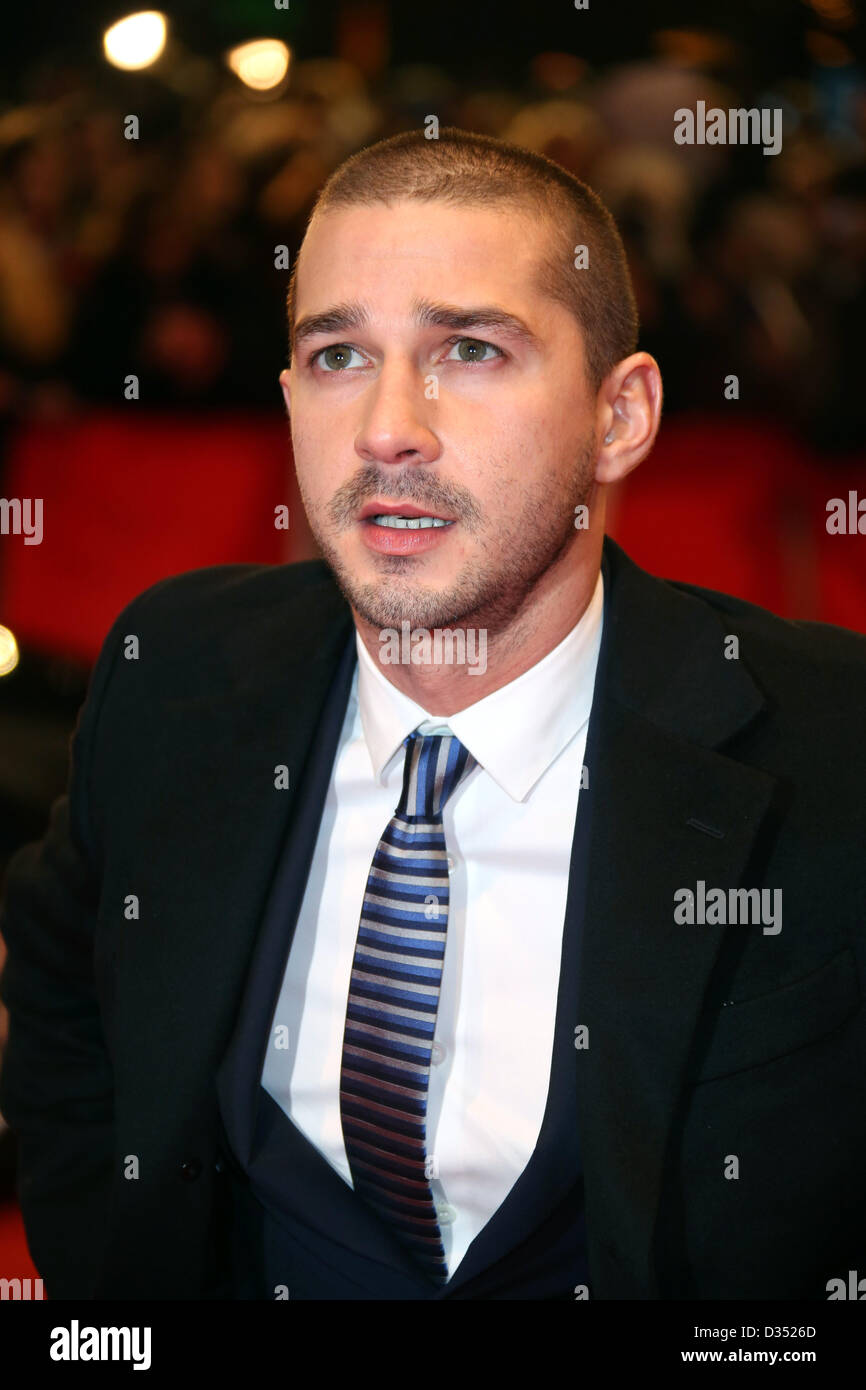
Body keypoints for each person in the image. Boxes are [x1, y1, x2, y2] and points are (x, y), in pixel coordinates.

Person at [0, 128, 864, 1301]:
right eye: (339, 354)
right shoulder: (175, 670)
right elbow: (60, 985)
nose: (386, 427)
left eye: (467, 347)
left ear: (620, 416)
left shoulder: (830, 742)